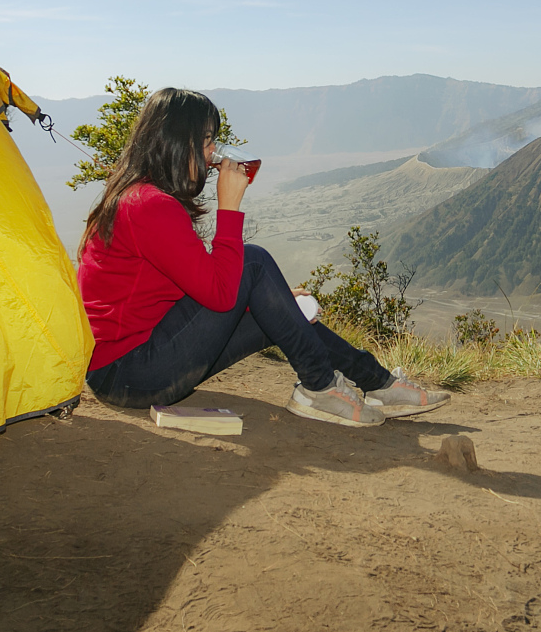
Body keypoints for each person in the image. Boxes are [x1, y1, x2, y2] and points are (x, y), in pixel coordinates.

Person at [76, 87, 449, 427]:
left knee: (279, 310)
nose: (213, 153)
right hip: (129, 373)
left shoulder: (141, 199)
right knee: (252, 261)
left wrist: (277, 300)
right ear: (177, 142)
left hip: (136, 363)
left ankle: (377, 383)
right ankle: (320, 387)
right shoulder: (149, 206)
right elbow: (221, 293)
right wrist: (229, 207)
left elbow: (199, 284)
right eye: (206, 141)